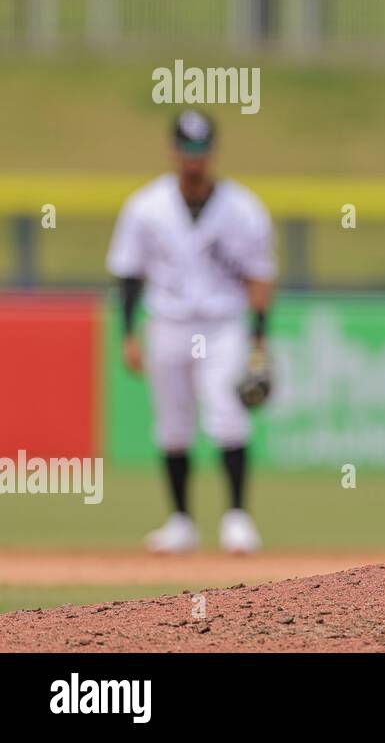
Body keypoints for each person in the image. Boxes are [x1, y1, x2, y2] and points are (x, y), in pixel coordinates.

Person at [107, 110, 276, 554]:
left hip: (222, 325)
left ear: (212, 153)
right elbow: (128, 274)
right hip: (168, 323)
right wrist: (128, 333)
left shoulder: (243, 208)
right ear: (173, 152)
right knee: (173, 423)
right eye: (186, 150)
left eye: (201, 151)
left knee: (227, 414)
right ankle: (180, 521)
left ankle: (237, 518)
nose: (193, 160)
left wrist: (260, 341)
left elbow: (260, 279)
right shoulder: (146, 206)